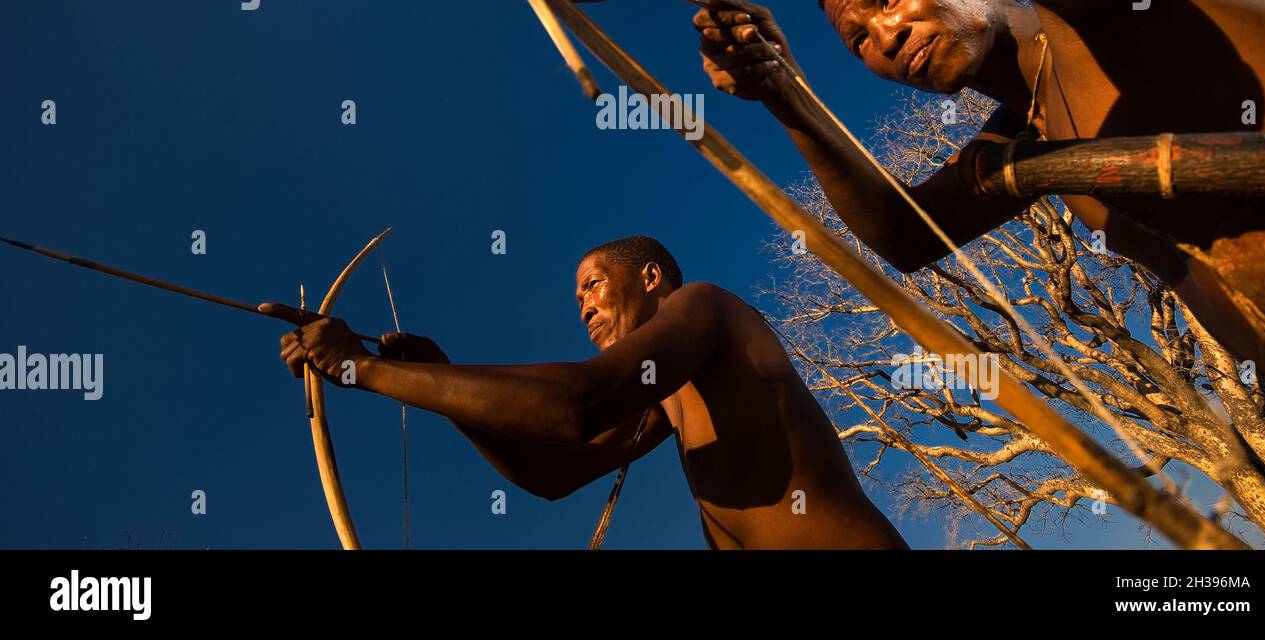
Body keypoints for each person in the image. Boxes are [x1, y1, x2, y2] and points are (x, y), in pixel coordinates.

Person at [453, 0, 1265, 404]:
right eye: (859, 42)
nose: (885, 38)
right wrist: (784, 93)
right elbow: (907, 232)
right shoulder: (1031, 140)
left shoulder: (1100, 0)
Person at [275, 235, 907, 549]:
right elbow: (551, 472)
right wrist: (434, 372)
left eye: (591, 285)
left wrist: (364, 368)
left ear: (651, 277)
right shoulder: (664, 398)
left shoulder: (704, 307)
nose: (582, 307)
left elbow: (575, 404)